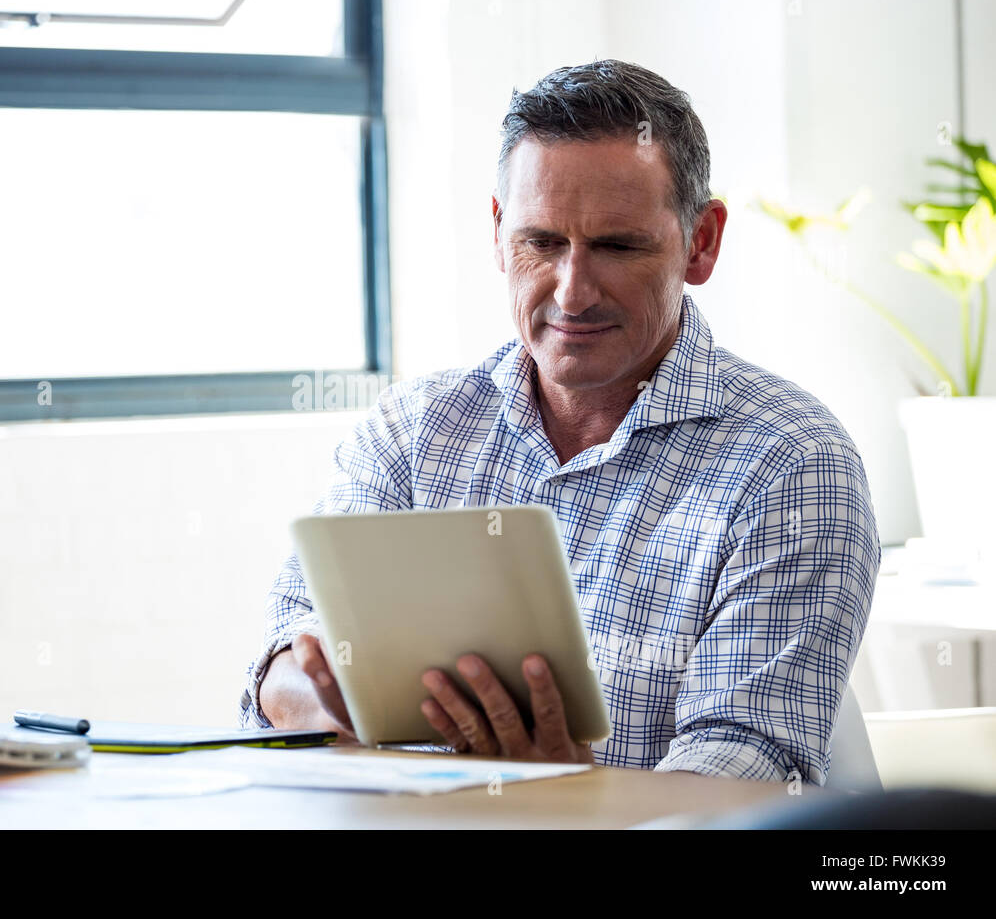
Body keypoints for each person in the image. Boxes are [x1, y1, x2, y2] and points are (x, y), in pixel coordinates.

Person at [239, 59, 881, 786]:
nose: (571, 292)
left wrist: (571, 797)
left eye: (617, 246)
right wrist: (320, 701)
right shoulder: (414, 430)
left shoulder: (793, 464)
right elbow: (284, 653)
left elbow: (747, 775)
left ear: (700, 243)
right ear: (497, 232)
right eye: (541, 242)